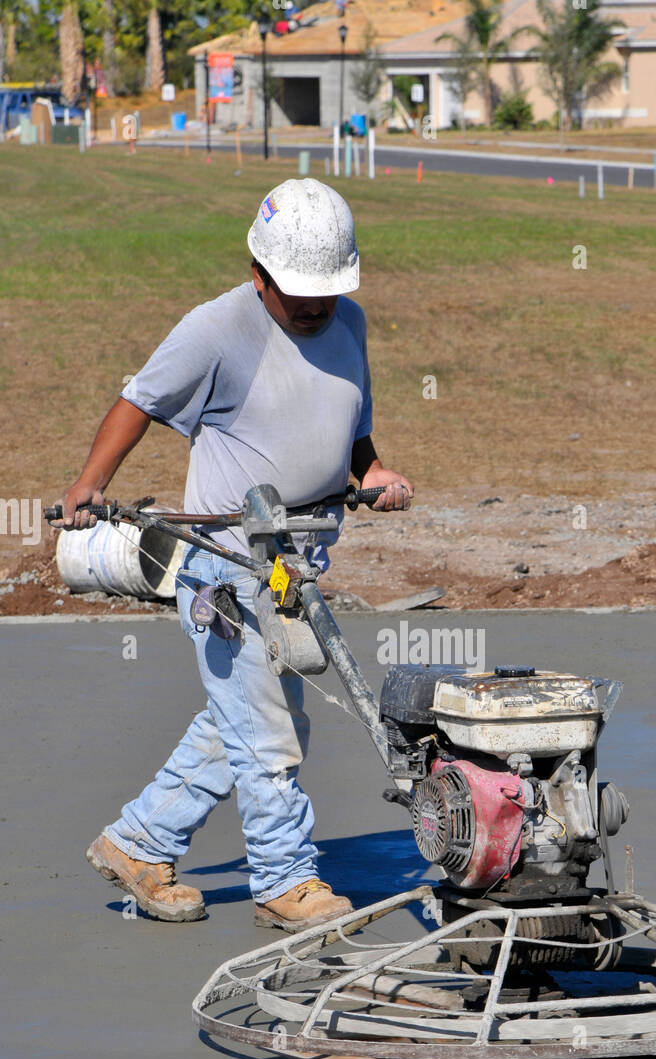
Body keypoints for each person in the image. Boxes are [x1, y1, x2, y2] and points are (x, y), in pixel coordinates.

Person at [55, 178, 413, 930]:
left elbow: (349, 420)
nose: (316, 307)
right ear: (259, 275)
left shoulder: (350, 322)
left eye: (327, 291)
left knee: (249, 720)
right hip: (225, 568)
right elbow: (137, 402)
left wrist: (371, 471)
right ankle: (286, 881)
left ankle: (137, 842)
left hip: (297, 568)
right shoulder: (216, 329)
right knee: (266, 731)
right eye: (298, 295)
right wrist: (89, 485)